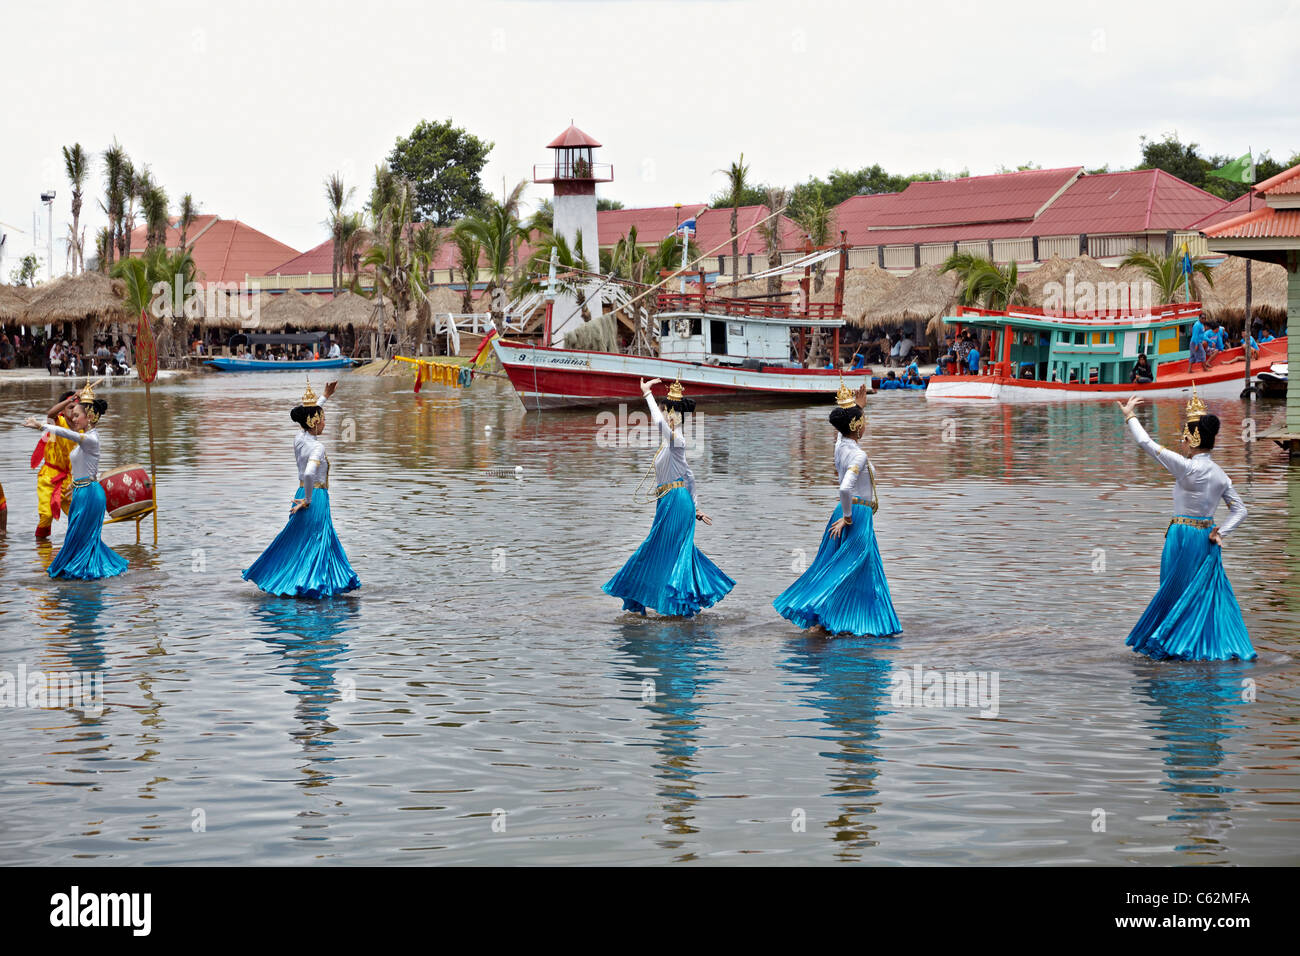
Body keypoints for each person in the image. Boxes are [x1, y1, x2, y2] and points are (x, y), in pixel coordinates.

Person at [1117, 389, 1254, 661]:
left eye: (1183, 437)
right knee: (1198, 593)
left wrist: (1130, 415)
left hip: (1181, 536)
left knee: (1173, 590)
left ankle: (1172, 644)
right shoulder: (1220, 474)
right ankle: (1195, 642)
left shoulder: (1186, 468)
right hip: (1205, 537)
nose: (1180, 443)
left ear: (1191, 439)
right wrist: (1220, 532)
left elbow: (1146, 443)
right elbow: (1241, 510)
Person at [773, 380, 901, 638]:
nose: (866, 423)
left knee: (851, 568)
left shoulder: (841, 446)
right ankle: (838, 620)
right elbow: (845, 488)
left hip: (848, 513)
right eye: (862, 421)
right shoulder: (859, 455)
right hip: (855, 516)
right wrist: (847, 518)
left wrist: (857, 407)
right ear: (856, 426)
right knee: (850, 569)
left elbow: (844, 435)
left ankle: (839, 620)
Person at [602, 377, 734, 617]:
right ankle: (675, 603)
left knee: (663, 550)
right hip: (671, 502)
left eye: (666, 412)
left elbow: (659, 424)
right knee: (664, 551)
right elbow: (690, 476)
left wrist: (647, 395)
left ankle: (677, 605)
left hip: (675, 502)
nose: (663, 416)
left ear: (672, 415)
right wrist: (696, 507)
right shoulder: (669, 443)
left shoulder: (677, 439)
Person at [243, 378, 359, 598]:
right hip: (314, 498)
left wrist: (325, 397)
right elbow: (308, 474)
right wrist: (307, 500)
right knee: (317, 542)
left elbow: (309, 418)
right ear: (315, 423)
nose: (325, 423)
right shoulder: (317, 446)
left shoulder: (299, 438)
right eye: (323, 420)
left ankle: (303, 582)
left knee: (302, 541)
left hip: (301, 493)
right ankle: (313, 585)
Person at [23, 383, 128, 579]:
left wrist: (41, 426)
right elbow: (86, 466)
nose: (73, 417)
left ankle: (85, 575)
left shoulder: (90, 439)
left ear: (89, 417)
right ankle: (83, 572)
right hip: (81, 491)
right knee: (79, 539)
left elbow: (66, 433)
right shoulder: (85, 437)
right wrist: (75, 482)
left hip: (89, 494)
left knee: (81, 539)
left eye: (77, 414)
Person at [31, 390, 79, 540]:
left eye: (76, 408)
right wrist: (69, 400)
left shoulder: (82, 429)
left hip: (70, 480)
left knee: (79, 516)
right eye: (70, 408)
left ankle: (77, 550)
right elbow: (50, 415)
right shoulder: (56, 422)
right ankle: (43, 552)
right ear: (63, 410)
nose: (73, 411)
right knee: (46, 516)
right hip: (49, 477)